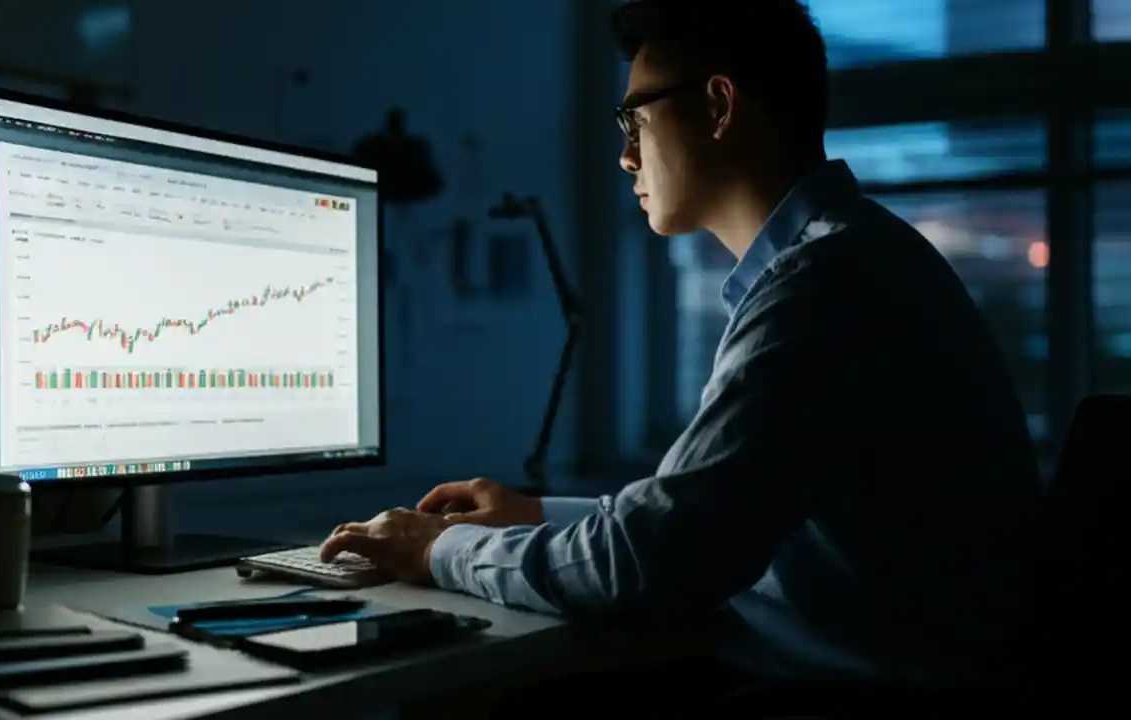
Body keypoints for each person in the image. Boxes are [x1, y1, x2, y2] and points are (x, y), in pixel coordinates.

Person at [320, 0, 1044, 699]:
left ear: (720, 106)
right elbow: (707, 519)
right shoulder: (848, 259)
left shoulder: (821, 289)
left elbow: (651, 564)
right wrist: (535, 516)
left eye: (634, 118)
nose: (625, 156)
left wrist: (435, 549)